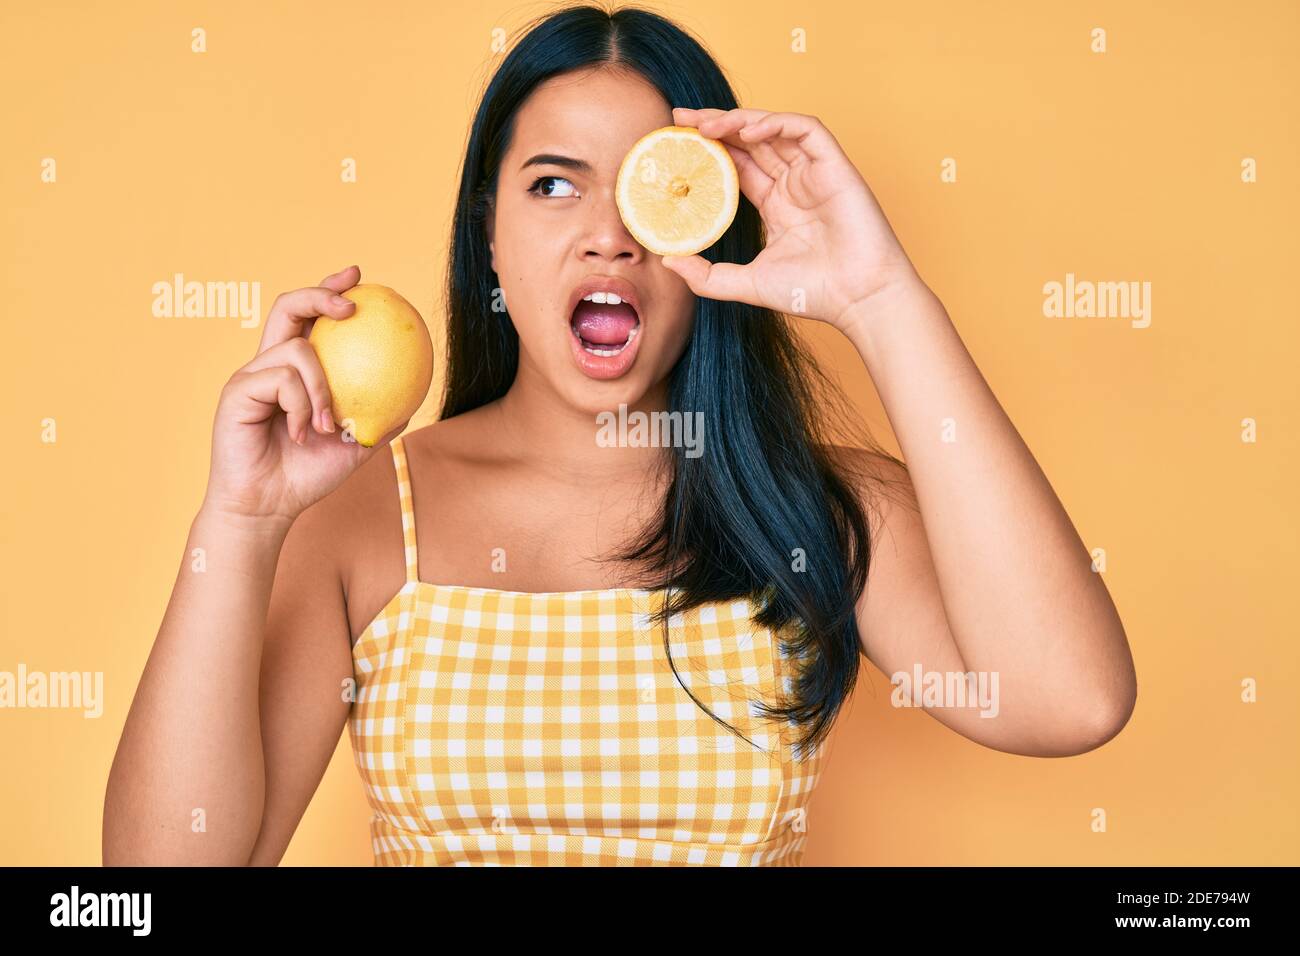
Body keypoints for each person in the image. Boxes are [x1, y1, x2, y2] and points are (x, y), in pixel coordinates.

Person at [104, 3, 1137, 867]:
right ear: (490, 237)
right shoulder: (363, 510)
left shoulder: (815, 511)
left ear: (712, 225)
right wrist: (238, 522)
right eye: (553, 184)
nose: (607, 231)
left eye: (654, 184)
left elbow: (1069, 700)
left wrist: (879, 296)